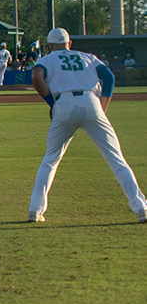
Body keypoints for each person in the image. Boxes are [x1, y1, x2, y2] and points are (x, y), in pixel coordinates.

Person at [27, 27, 147, 224]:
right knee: (116, 159)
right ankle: (141, 208)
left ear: (49, 46)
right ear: (70, 43)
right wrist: (103, 107)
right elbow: (108, 77)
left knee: (50, 160)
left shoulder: (47, 59)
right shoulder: (87, 57)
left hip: (63, 103)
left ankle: (35, 210)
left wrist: (52, 103)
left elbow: (36, 76)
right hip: (91, 102)